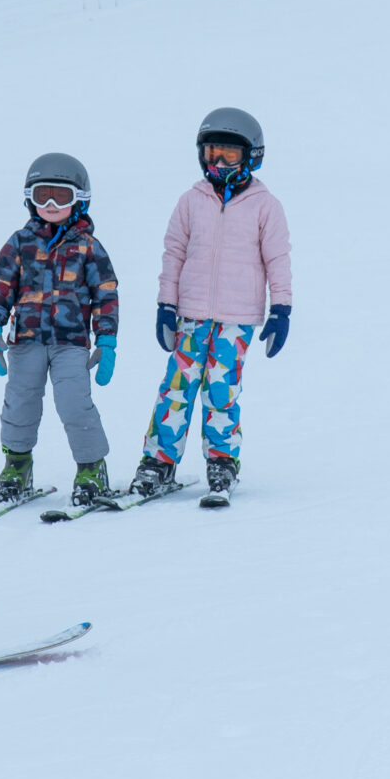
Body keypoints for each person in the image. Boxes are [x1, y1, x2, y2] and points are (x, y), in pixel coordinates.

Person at [128, 108, 292, 501]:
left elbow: (278, 260)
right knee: (176, 390)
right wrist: (166, 305)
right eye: (212, 153)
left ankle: (222, 462)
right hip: (191, 315)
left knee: (221, 391)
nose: (218, 163)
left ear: (252, 156)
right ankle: (158, 464)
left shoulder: (265, 206)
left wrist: (280, 309)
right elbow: (174, 253)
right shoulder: (190, 200)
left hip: (237, 319)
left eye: (229, 155)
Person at [0, 153, 119, 506]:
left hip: (70, 343)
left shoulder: (88, 247)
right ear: (30, 199)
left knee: (74, 403)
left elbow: (105, 293)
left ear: (80, 200)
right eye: (43, 195)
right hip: (25, 342)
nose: (52, 204)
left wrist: (106, 338)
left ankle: (91, 469)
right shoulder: (19, 243)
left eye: (62, 196)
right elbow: (0, 286)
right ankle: (17, 466)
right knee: (20, 403)